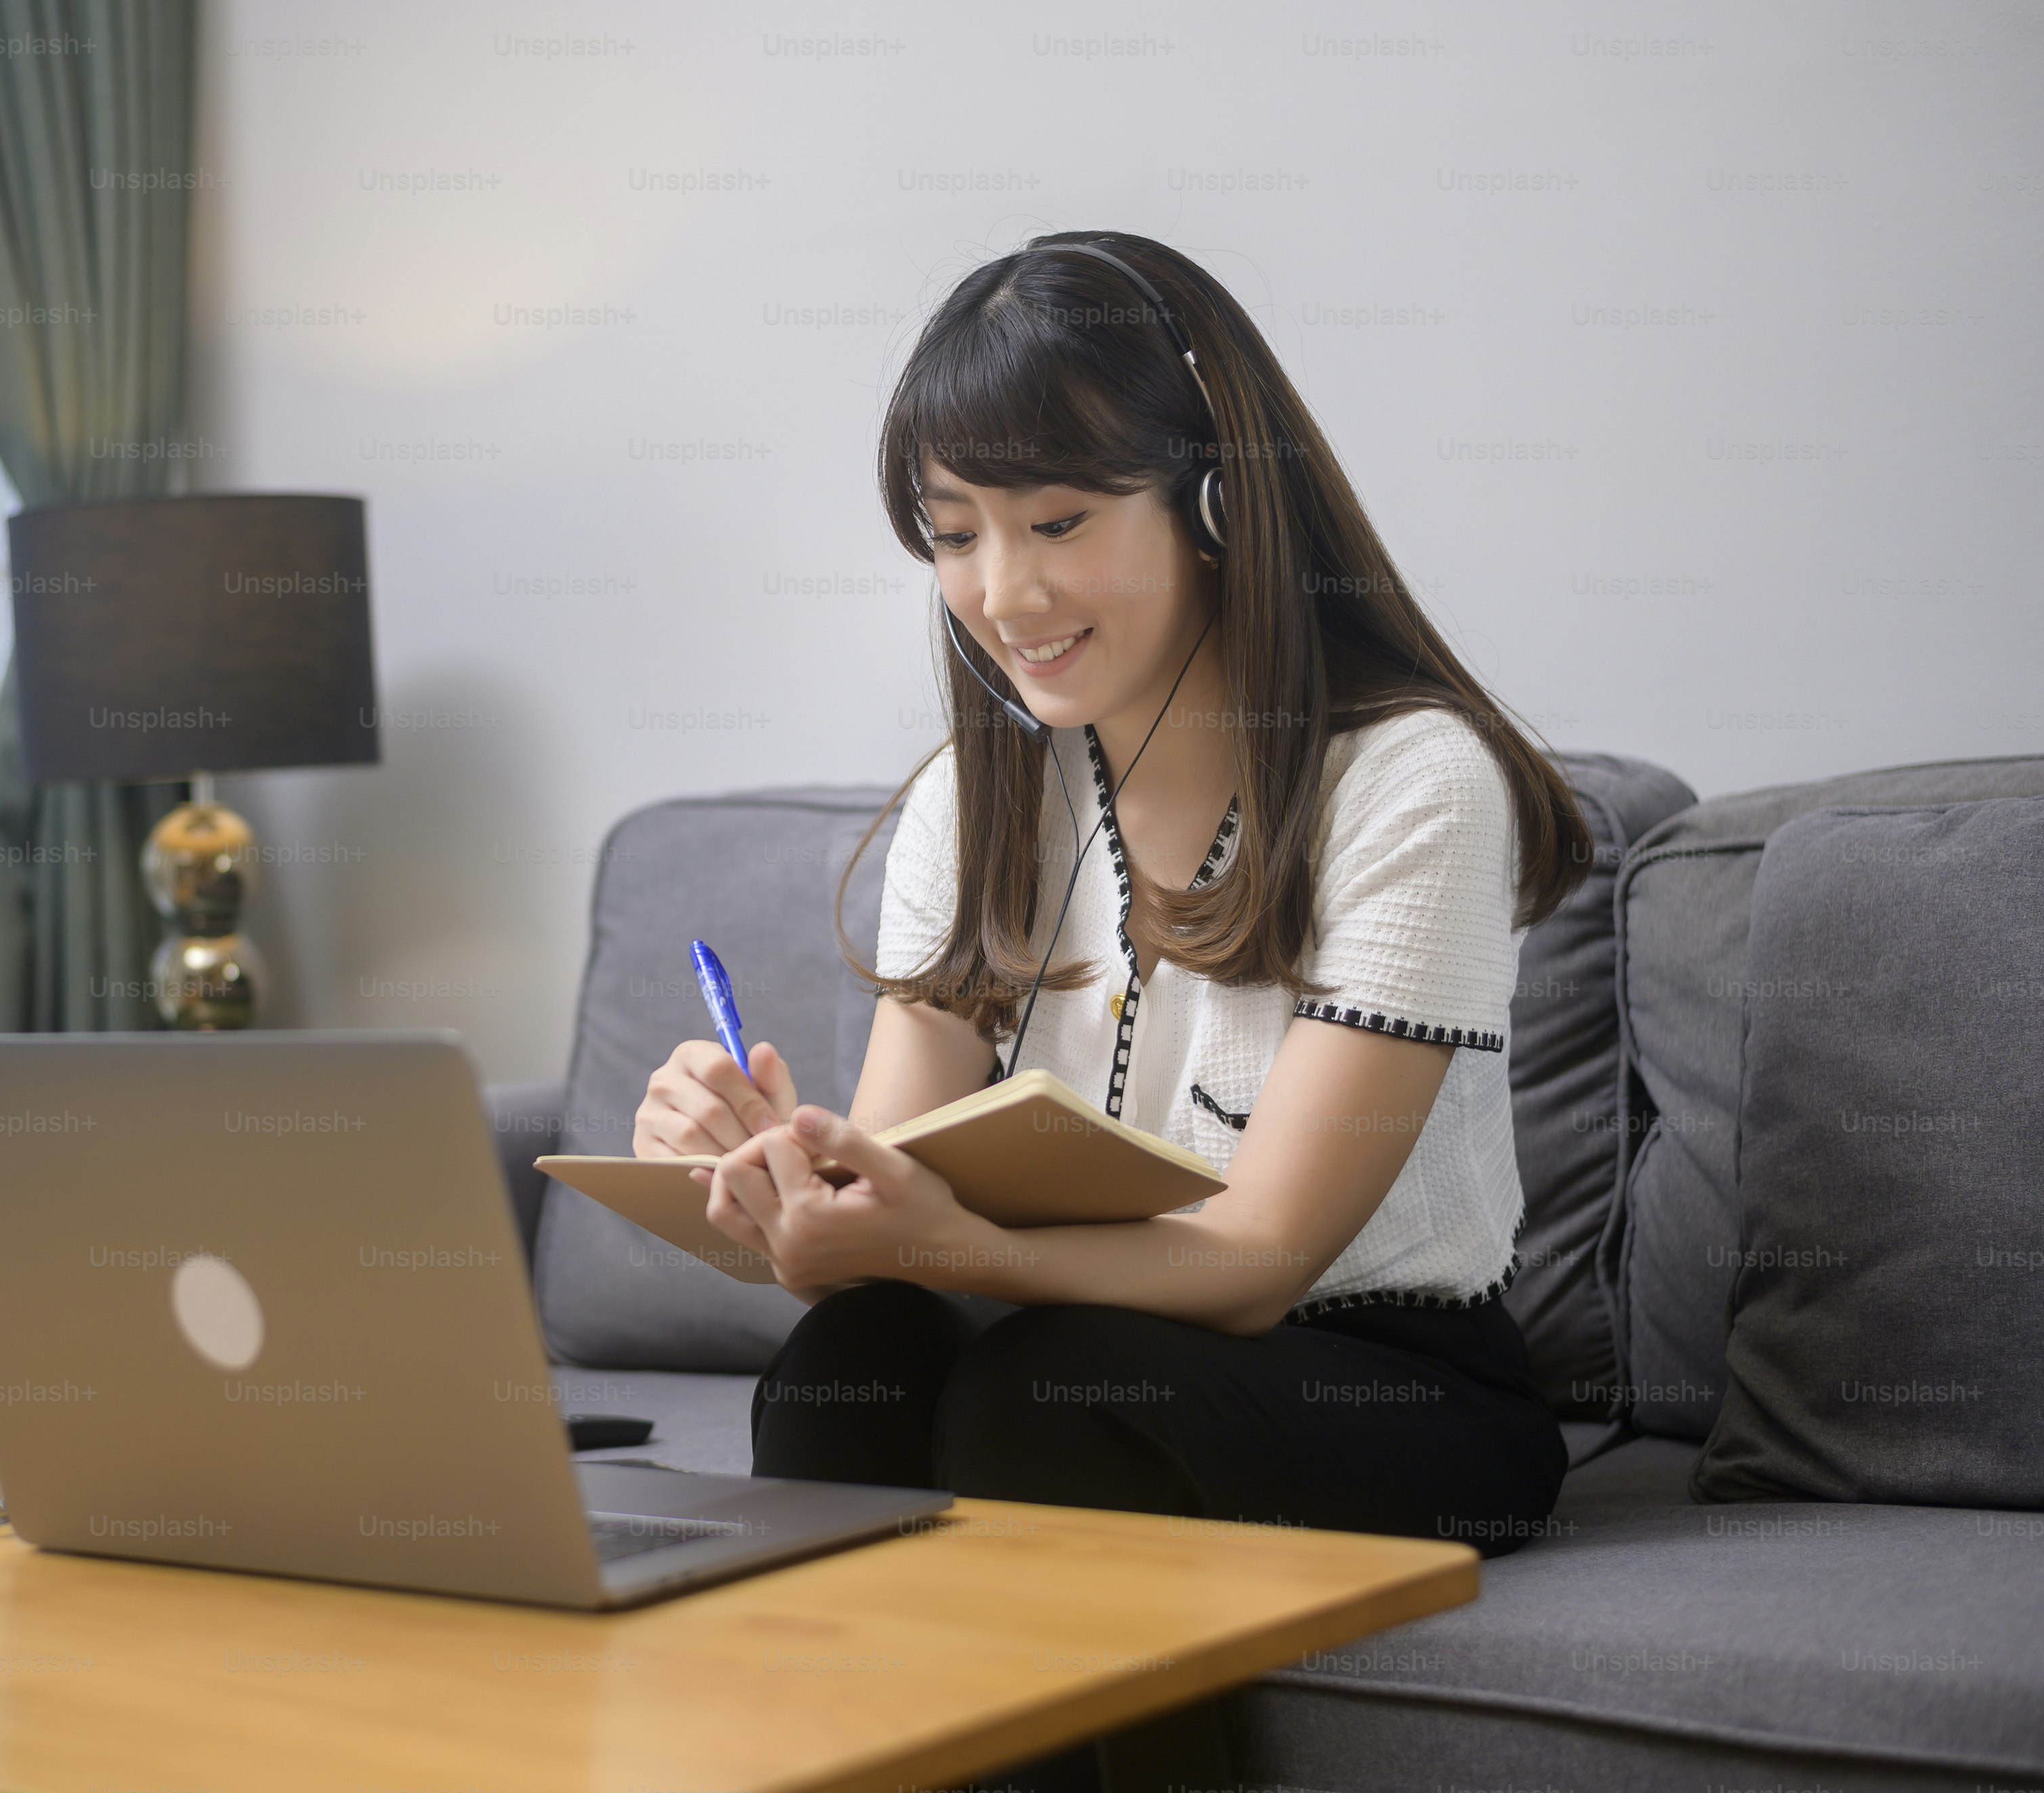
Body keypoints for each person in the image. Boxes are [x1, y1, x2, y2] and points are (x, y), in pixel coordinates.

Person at [632, 232, 1584, 1557]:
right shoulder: (975, 800)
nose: (1001, 592)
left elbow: (1255, 1258)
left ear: (1214, 503)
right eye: (954, 533)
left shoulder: (1409, 780)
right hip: (1054, 1333)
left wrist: (951, 1247)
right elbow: (887, 1206)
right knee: (853, 1358)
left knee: (1045, 1396)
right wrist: (780, 1175)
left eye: (1057, 522)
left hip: (1382, 1369)